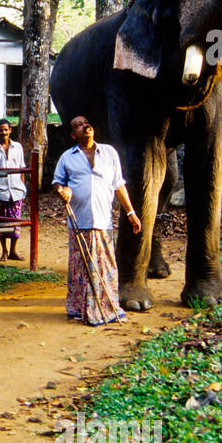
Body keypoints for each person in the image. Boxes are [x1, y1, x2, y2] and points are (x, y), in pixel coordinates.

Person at [52, 115, 141, 325]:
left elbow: (119, 185)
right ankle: (79, 308)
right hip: (79, 220)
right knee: (80, 265)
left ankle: (108, 306)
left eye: (86, 123)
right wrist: (62, 190)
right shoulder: (67, 157)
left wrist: (130, 213)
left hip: (103, 220)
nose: (85, 126)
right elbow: (57, 182)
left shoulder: (109, 153)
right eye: (79, 125)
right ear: (73, 135)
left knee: (105, 264)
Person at [0, 118, 27, 261]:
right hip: (0, 191)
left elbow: (22, 169)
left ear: (10, 130)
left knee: (15, 223)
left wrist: (22, 187)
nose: (4, 132)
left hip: (16, 191)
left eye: (6, 129)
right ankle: (4, 251)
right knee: (1, 222)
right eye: (1, 130)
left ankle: (13, 251)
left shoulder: (18, 147)